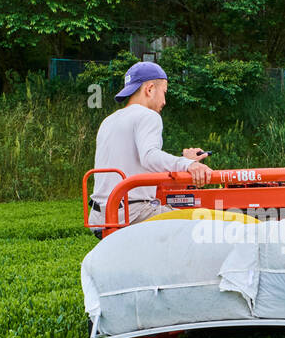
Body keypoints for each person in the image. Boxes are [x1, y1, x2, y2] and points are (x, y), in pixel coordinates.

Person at [87, 61, 213, 233]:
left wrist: (184, 159)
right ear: (150, 89)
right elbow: (149, 156)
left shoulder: (109, 120)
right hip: (132, 213)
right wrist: (188, 165)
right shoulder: (148, 116)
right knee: (201, 226)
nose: (164, 101)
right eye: (164, 92)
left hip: (100, 216)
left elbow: (134, 163)